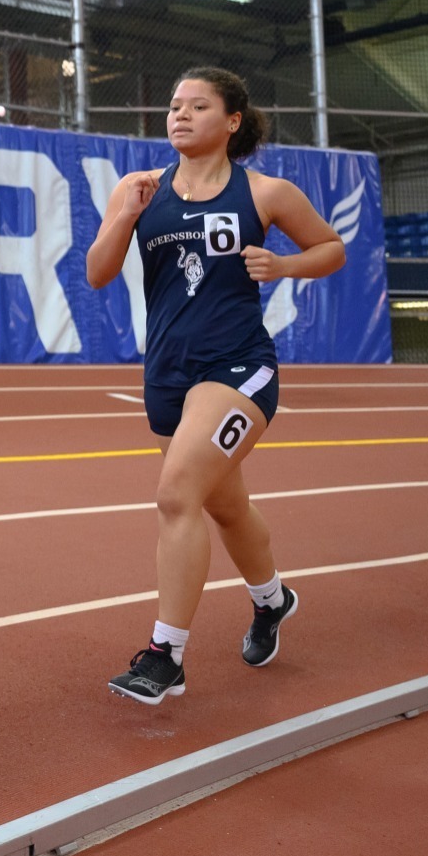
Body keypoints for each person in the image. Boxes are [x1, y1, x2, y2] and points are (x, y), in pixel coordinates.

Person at [85, 68, 347, 705]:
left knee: (177, 496)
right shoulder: (139, 187)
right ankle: (272, 599)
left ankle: (165, 655)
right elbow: (97, 273)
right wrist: (125, 214)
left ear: (232, 121)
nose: (179, 115)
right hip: (166, 371)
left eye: (197, 106)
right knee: (223, 506)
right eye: (174, 106)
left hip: (238, 366)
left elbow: (332, 248)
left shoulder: (266, 193)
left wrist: (283, 264)